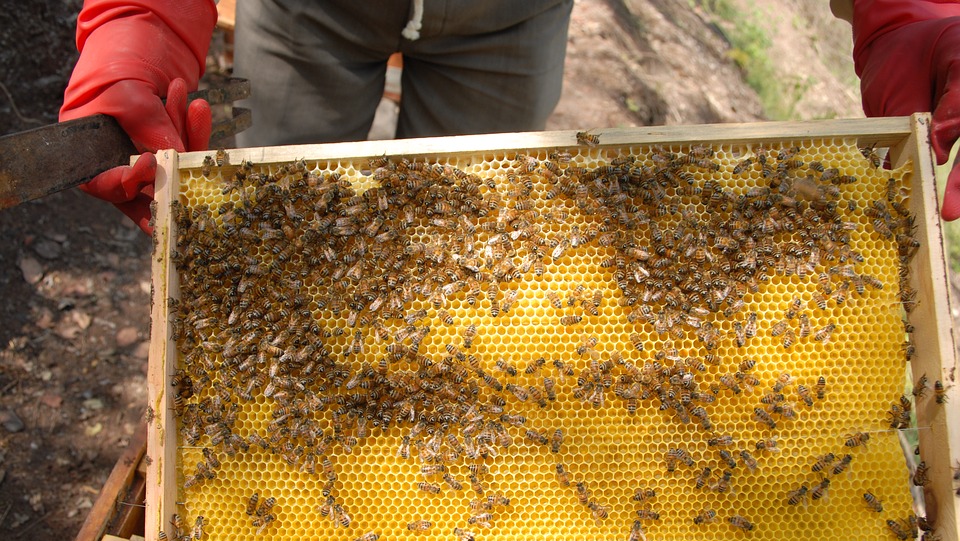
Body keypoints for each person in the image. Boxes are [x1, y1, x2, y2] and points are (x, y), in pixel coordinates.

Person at [60, 0, 960, 233]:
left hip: (511, 19)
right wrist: (137, 36)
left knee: (472, 232)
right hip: (310, 13)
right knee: (271, 221)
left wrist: (907, 19)